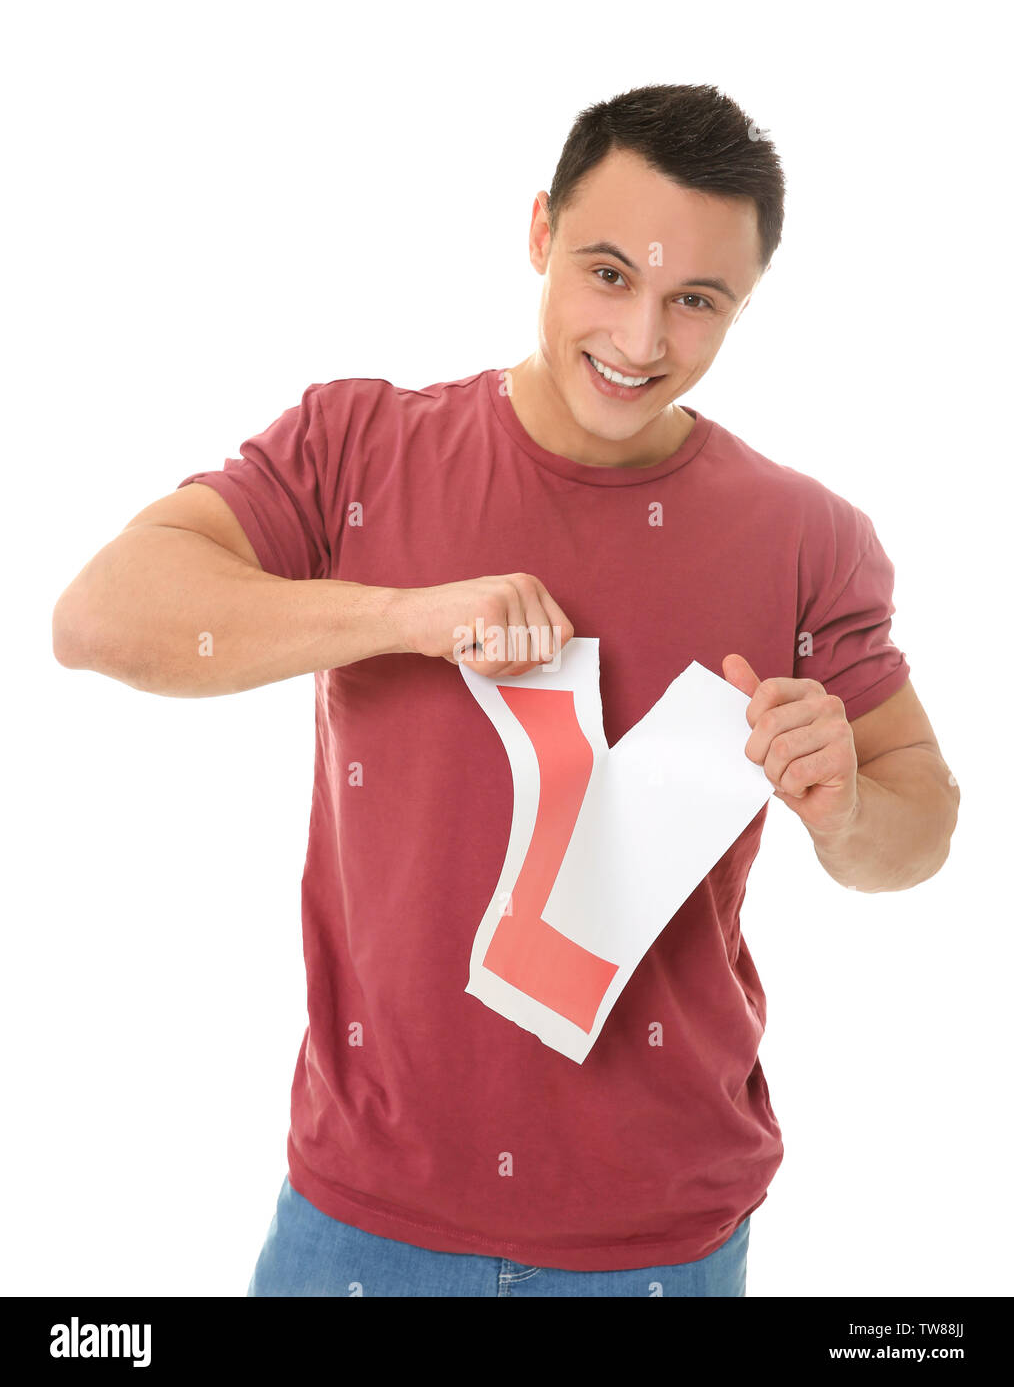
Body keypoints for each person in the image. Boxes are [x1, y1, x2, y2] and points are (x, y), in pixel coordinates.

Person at [51, 83, 960, 1298]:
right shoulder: (359, 446)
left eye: (696, 301)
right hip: (361, 1216)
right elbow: (99, 617)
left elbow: (920, 823)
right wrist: (404, 617)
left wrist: (845, 807)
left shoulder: (809, 536)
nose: (640, 339)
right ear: (540, 231)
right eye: (607, 273)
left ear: (745, 304)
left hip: (658, 1236)